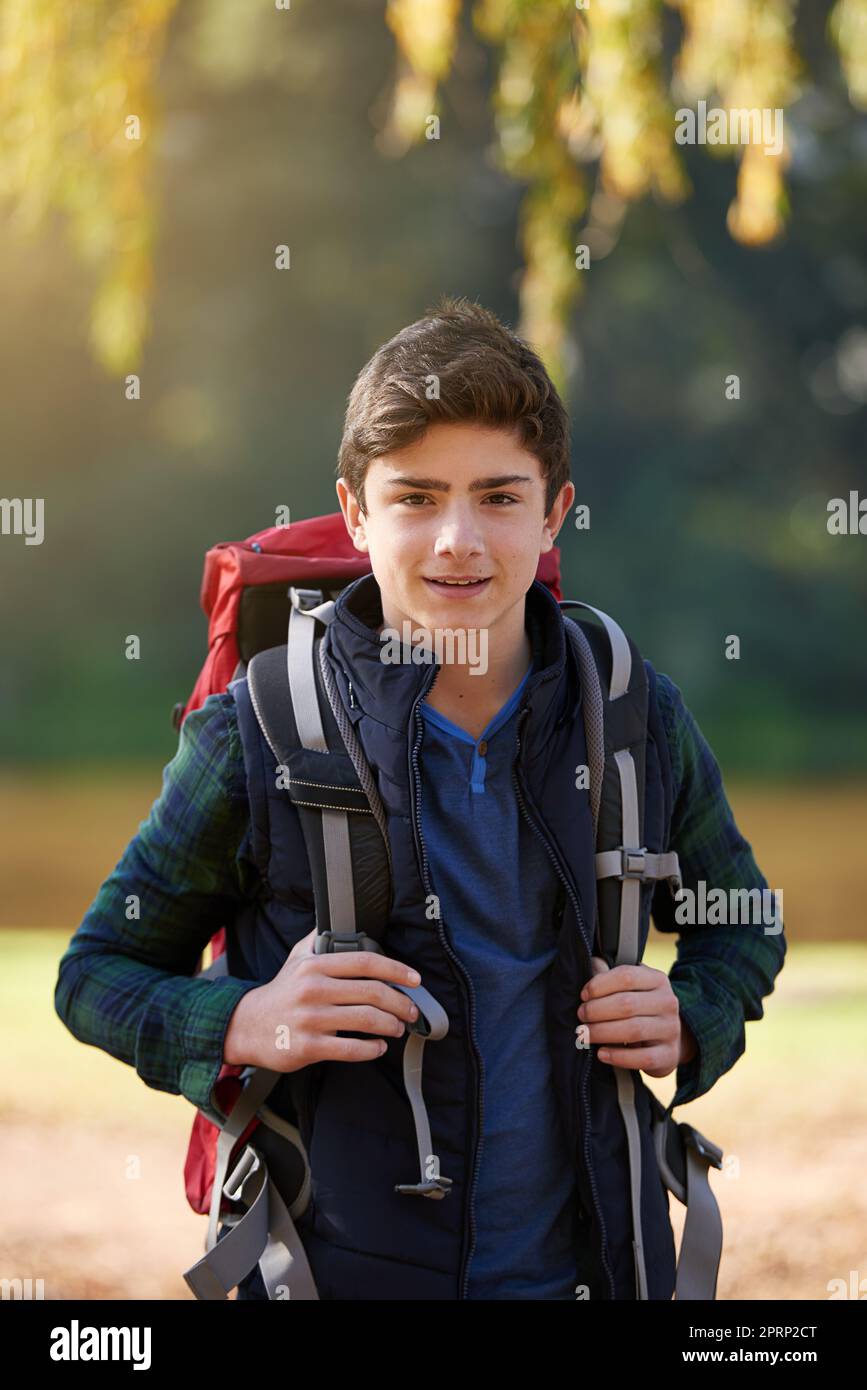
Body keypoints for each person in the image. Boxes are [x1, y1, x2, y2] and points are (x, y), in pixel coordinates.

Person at [55, 294, 786, 1300]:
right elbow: (97, 972)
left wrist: (693, 1013)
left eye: (497, 496)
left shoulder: (634, 713)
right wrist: (244, 1021)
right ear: (355, 511)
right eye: (414, 498)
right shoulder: (257, 727)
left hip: (602, 1273)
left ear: (555, 509)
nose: (457, 540)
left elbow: (742, 920)